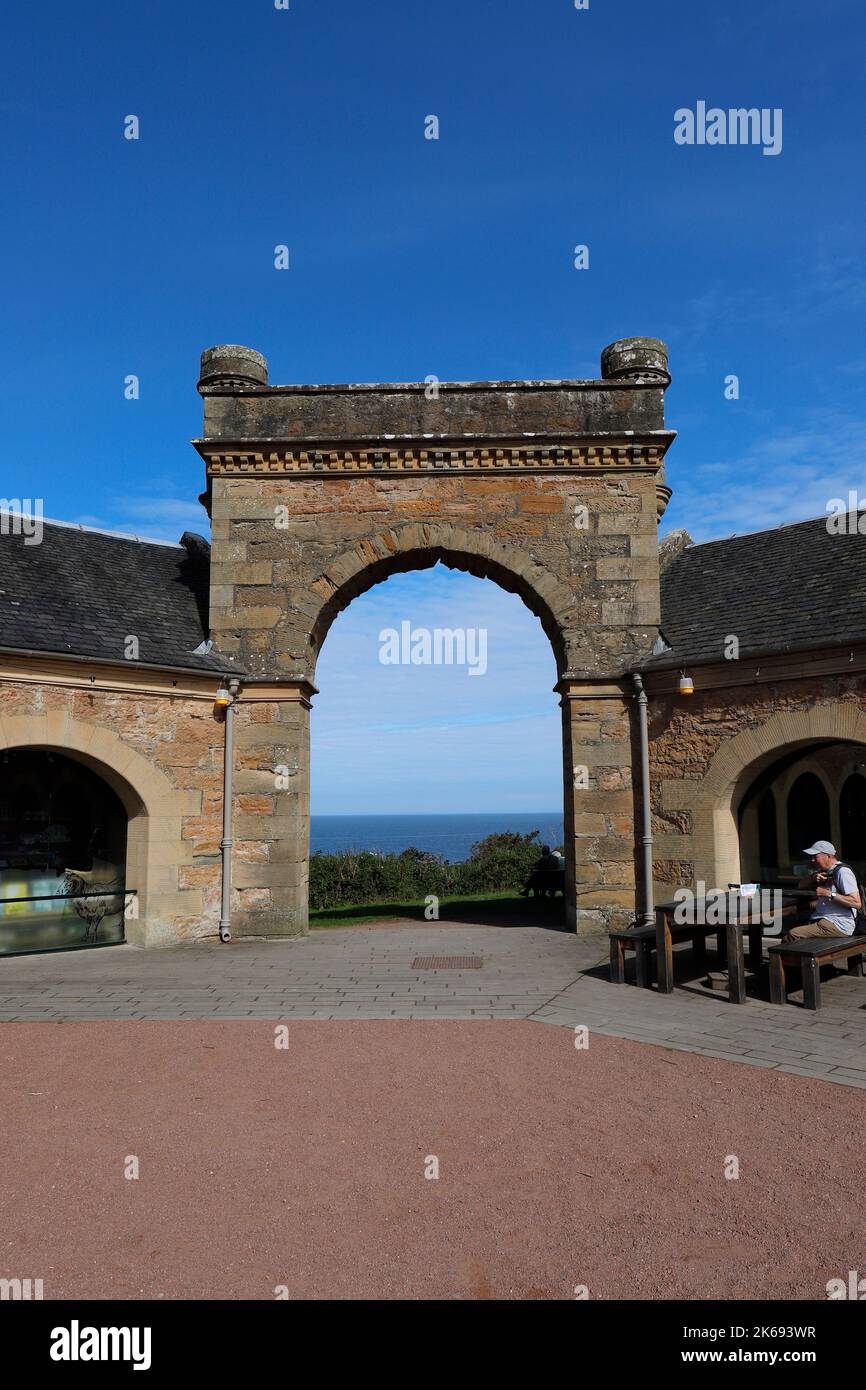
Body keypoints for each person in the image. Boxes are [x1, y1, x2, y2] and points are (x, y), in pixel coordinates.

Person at [782, 840, 861, 941]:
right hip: (823, 919)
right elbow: (801, 885)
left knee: (793, 934)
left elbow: (856, 903)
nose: (812, 860)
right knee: (786, 939)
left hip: (838, 924)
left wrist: (828, 893)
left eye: (815, 856)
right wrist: (813, 878)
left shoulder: (843, 872)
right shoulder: (824, 871)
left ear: (828, 856)